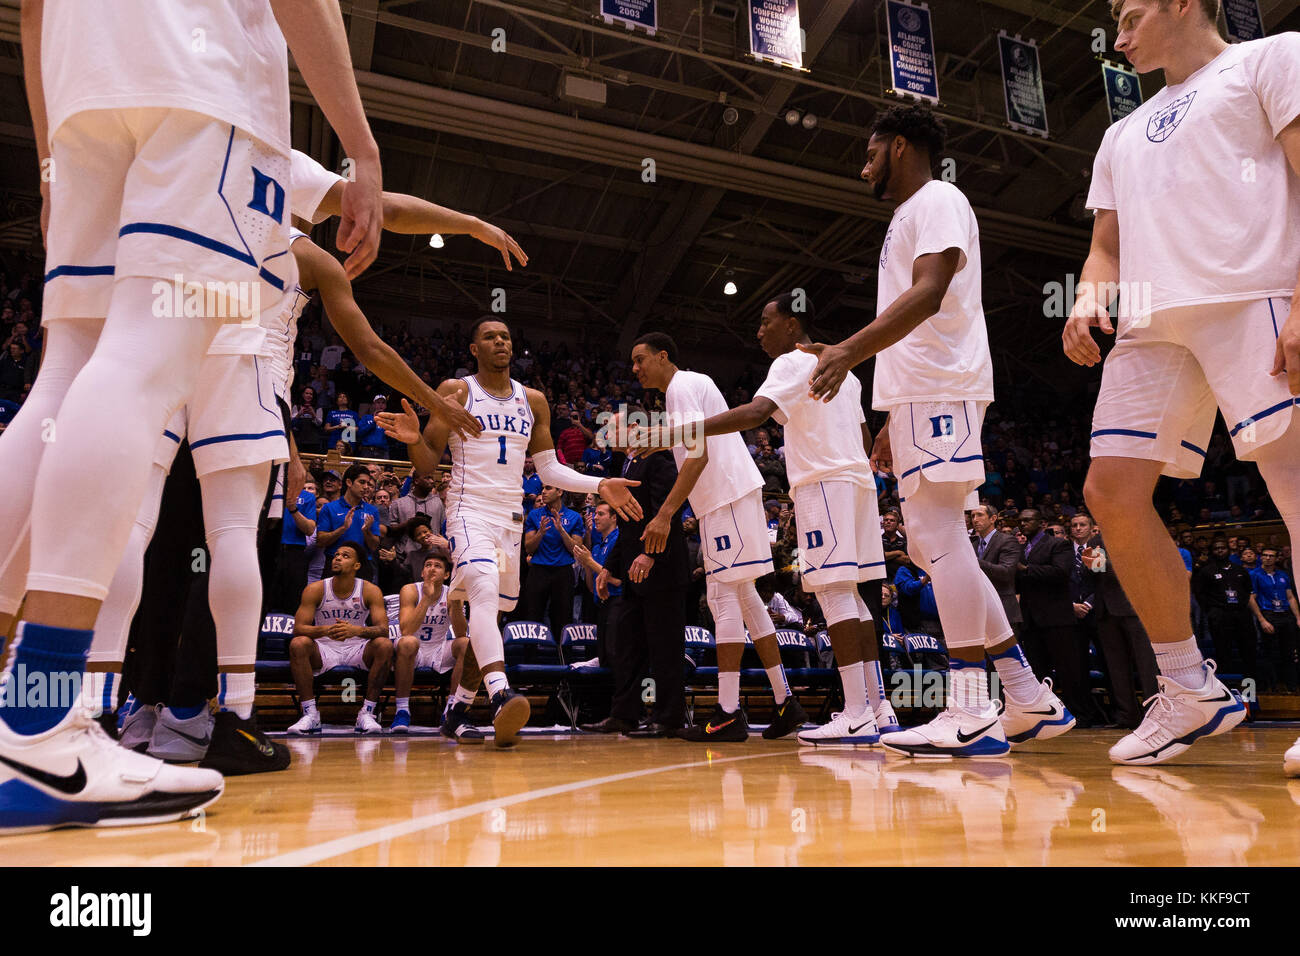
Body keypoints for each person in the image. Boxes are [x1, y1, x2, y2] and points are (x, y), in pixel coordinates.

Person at [0, 0, 383, 833]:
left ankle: (29, 711)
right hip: (198, 86)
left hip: (78, 93)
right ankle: (37, 727)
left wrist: (48, 163)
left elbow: (30, 9)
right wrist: (363, 147)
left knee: (61, 379)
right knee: (136, 365)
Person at [1062, 0, 1295, 765]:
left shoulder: (1269, 59)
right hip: (1153, 320)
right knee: (1111, 492)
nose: (1118, 35)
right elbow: (1106, 247)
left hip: (1251, 293)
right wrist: (1089, 295)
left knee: (1293, 482)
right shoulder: (1119, 132)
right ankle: (1189, 687)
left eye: (1130, 15)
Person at [801, 103, 1071, 757]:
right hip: (921, 395)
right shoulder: (906, 216)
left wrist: (847, 352)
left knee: (940, 537)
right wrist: (891, 418)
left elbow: (928, 294)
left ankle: (971, 707)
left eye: (868, 153)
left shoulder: (939, 197)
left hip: (943, 387)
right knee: (929, 544)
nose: (862, 165)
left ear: (898, 147)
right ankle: (1027, 695)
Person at [377, 317, 641, 747]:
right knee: (481, 587)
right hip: (467, 510)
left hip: (510, 520)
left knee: (492, 614)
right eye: (489, 337)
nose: (500, 341)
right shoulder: (456, 391)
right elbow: (426, 465)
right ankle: (501, 693)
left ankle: (458, 708)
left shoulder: (533, 400)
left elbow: (549, 467)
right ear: (474, 349)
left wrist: (598, 483)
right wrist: (412, 439)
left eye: (505, 336)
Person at [625, 332, 801, 743]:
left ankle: (726, 712)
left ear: (663, 356)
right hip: (728, 499)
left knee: (723, 598)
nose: (635, 369)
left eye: (640, 360)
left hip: (726, 499)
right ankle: (785, 701)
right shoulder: (688, 388)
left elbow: (699, 454)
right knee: (745, 599)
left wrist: (666, 514)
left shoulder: (681, 387)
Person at [584, 446, 688, 737]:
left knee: (665, 650)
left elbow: (668, 513)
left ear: (632, 427)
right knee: (628, 648)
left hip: (663, 571)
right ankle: (624, 714)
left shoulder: (659, 458)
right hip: (634, 573)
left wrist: (650, 554)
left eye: (613, 426)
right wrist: (608, 568)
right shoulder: (627, 465)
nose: (606, 432)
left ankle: (668, 718)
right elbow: (629, 529)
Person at [287, 543, 392, 735]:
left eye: (345, 556)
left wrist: (356, 631)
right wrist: (326, 630)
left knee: (384, 645)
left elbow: (384, 630)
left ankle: (367, 713)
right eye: (336, 555)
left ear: (357, 566)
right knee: (298, 643)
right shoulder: (315, 589)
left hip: (356, 649)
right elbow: (298, 628)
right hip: (324, 649)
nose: (337, 558)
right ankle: (310, 714)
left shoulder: (370, 590)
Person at [1083, 531, 1159, 729]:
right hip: (1105, 610)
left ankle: (1154, 714)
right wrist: (1088, 566)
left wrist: (1099, 565)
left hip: (1135, 608)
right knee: (1116, 668)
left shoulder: (1136, 536)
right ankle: (1127, 716)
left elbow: (1134, 569)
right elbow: (1093, 574)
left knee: (1146, 665)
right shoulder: (1095, 541)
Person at [392, 553, 474, 735]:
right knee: (408, 642)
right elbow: (406, 631)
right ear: (422, 572)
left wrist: (457, 605)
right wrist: (427, 598)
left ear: (446, 575)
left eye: (437, 566)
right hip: (413, 649)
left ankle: (451, 710)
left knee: (466, 644)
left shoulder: (452, 592)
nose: (431, 568)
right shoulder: (410, 590)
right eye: (428, 565)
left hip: (439, 649)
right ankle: (402, 710)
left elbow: (461, 633)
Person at [522, 485, 585, 643]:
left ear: (560, 492)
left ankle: (564, 661)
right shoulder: (534, 515)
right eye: (542, 488)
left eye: (548, 488)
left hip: (563, 572)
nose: (543, 492)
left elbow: (575, 549)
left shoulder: (574, 517)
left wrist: (562, 530)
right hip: (538, 571)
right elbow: (529, 548)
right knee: (532, 616)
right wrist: (541, 533)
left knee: (563, 618)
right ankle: (530, 662)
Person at [1193, 540, 1258, 687]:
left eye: (1223, 548)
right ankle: (1228, 686)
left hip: (1241, 614)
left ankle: (1251, 686)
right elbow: (1200, 594)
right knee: (1223, 651)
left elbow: (1247, 590)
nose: (1220, 551)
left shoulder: (1239, 570)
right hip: (1219, 615)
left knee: (1248, 650)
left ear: (1228, 550)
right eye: (1216, 548)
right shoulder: (1206, 571)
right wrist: (1211, 611)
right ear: (1212, 551)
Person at [315, 464, 382, 578]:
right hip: (335, 563)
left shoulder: (372, 511)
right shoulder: (329, 508)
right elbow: (321, 541)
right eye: (362, 482)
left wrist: (366, 532)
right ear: (349, 482)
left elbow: (374, 546)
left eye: (368, 483)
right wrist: (342, 529)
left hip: (362, 565)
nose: (366, 487)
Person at [1249, 548, 1300, 693]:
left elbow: (1290, 597)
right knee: (1269, 652)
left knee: (1289, 653)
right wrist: (1262, 620)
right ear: (1261, 558)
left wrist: (1298, 618)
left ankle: (1291, 686)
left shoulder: (1283, 575)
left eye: (1271, 556)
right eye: (1265, 555)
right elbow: (1251, 598)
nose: (1268, 558)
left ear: (1276, 558)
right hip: (1268, 614)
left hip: (1285, 615)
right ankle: (1272, 686)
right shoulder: (1254, 574)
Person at [970, 503, 1023, 640]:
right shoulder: (972, 544)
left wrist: (975, 561)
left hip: (1003, 609)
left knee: (1008, 659)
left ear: (993, 518)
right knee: (984, 660)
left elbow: (1006, 572)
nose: (975, 519)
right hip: (979, 612)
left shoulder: (1007, 540)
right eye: (973, 516)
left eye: (980, 515)